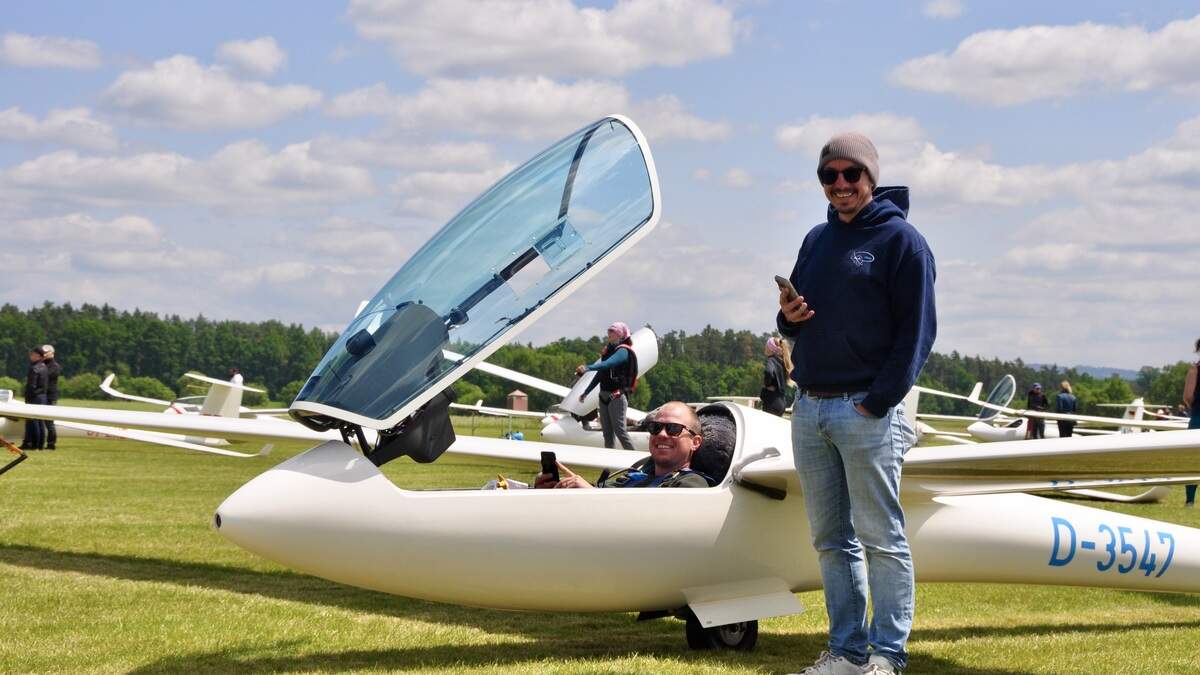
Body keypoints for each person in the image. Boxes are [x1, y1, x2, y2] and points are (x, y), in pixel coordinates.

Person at [778, 132, 935, 675]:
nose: (840, 184)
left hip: (865, 412)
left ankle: (887, 656)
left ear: (871, 177)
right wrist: (786, 318)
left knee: (881, 539)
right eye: (830, 175)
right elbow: (795, 320)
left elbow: (917, 333)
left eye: (851, 174)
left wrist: (876, 403)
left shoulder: (903, 242)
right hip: (810, 408)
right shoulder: (816, 239)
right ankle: (846, 653)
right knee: (830, 541)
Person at [535, 402, 710, 489]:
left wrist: (591, 496)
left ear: (695, 442)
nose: (662, 435)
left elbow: (654, 524)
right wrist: (556, 490)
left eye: (673, 429)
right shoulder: (633, 477)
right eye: (655, 428)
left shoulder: (692, 485)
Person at [575, 322, 638, 450]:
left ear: (620, 335)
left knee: (620, 431)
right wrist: (587, 392)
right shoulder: (609, 351)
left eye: (612, 332)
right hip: (603, 396)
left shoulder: (623, 351)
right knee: (607, 434)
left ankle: (636, 460)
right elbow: (601, 373)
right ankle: (608, 462)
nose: (609, 334)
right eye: (609, 331)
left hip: (617, 396)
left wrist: (588, 367)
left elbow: (608, 364)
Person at [1182, 338, 1200, 507]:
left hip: (1197, 418)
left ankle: (1190, 501)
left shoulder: (1195, 369)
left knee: (1193, 460)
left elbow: (1187, 397)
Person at [20, 347, 48, 450]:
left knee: (34, 421)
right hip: (42, 397)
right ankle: (40, 445)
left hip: (34, 397)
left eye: (32, 354)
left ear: (38, 356)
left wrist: (28, 396)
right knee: (40, 421)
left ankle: (34, 445)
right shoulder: (45, 367)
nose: (30, 356)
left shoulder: (34, 368)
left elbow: (32, 385)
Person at [761, 336, 792, 416]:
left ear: (771, 348)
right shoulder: (783, 362)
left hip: (771, 402)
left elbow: (768, 372)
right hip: (781, 402)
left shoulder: (771, 359)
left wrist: (767, 385)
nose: (765, 347)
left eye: (767, 345)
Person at [41, 344, 60, 450]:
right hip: (43, 395)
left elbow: (44, 376)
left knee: (49, 422)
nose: (44, 354)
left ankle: (51, 444)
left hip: (50, 397)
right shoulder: (43, 364)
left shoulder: (54, 366)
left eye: (46, 352)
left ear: (52, 353)